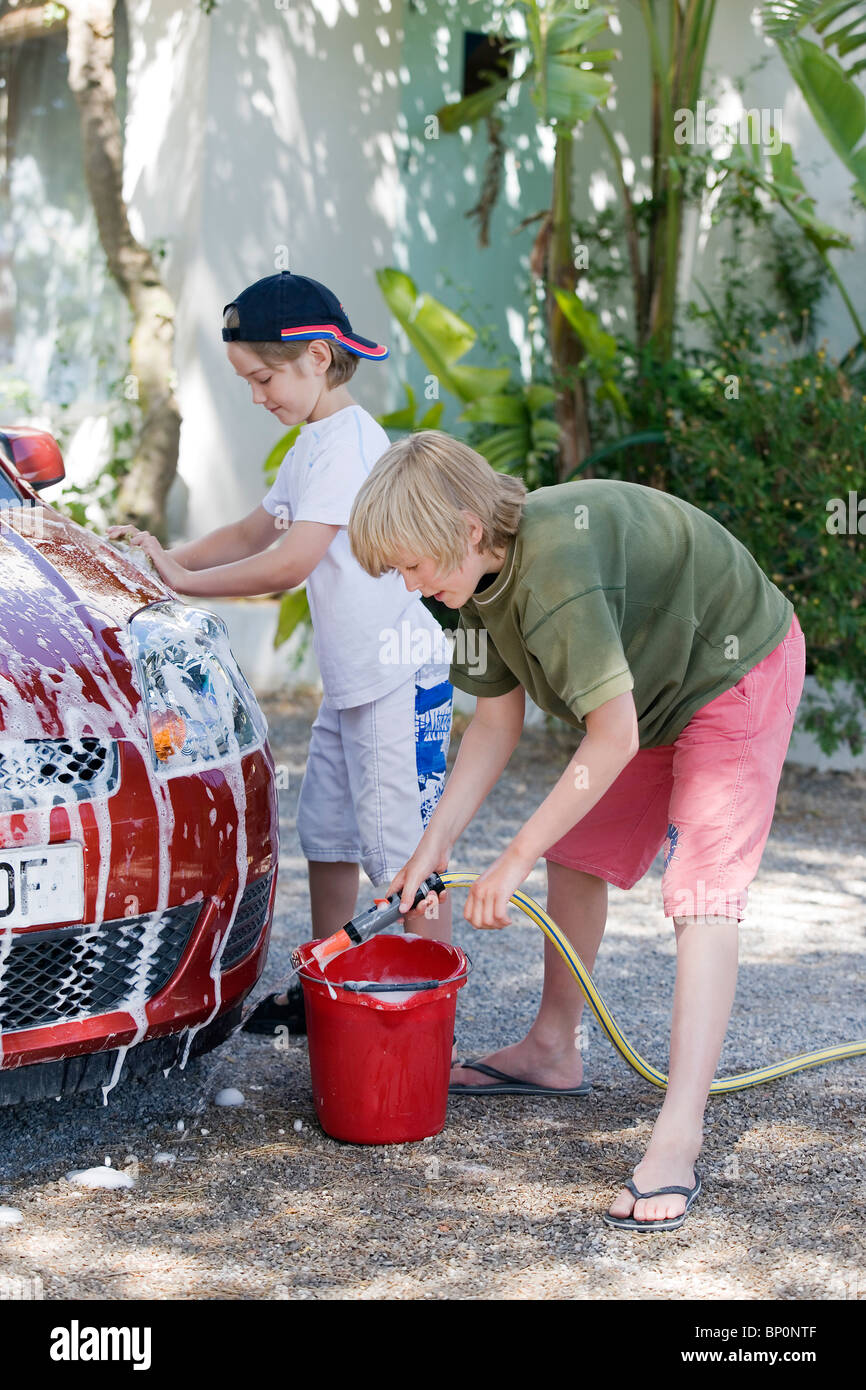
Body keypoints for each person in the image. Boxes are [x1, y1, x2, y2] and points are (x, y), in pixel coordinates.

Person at [347, 429, 806, 1232]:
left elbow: (612, 736)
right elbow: (494, 723)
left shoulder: (553, 564)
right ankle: (553, 1049)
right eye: (397, 570)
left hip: (733, 671)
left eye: (414, 563)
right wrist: (432, 851)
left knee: (701, 887)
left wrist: (512, 857)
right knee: (579, 851)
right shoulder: (457, 585)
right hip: (650, 698)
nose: (408, 583)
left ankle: (680, 1133)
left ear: (465, 527)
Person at [108, 272, 453, 1034]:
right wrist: (165, 560)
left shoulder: (352, 443)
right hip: (353, 680)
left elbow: (288, 562)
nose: (257, 395)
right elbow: (251, 532)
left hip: (396, 677)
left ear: (319, 360)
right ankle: (327, 982)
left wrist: (188, 585)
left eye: (264, 378)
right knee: (327, 831)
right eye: (247, 382)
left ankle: (429, 1020)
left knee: (405, 852)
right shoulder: (312, 444)